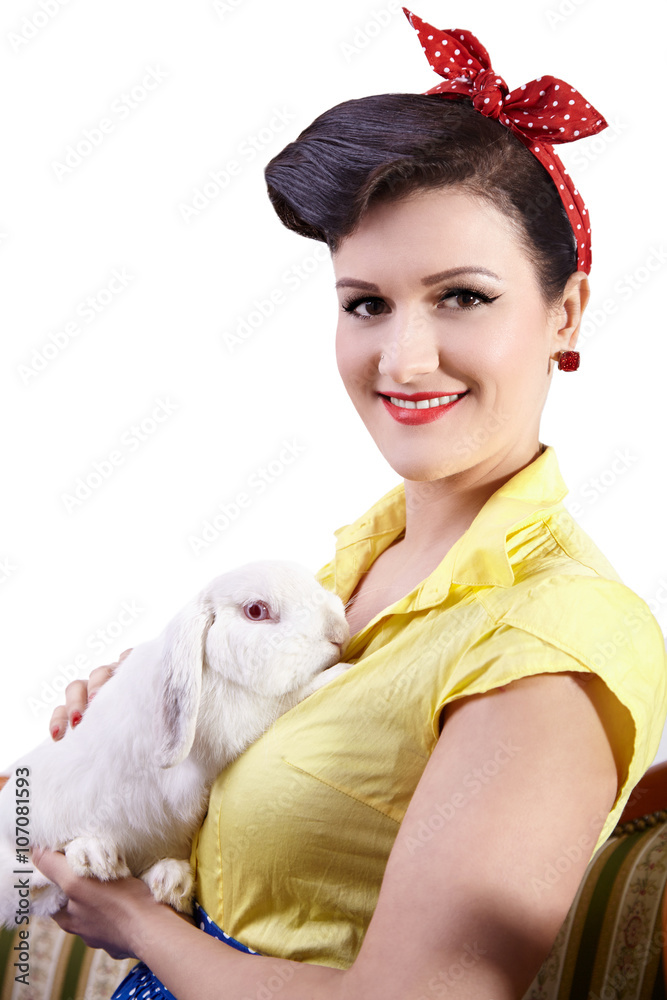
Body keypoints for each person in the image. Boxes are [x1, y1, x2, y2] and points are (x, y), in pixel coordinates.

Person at [33, 8, 667, 999]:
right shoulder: (350, 570)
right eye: (366, 302)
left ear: (565, 313)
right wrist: (145, 725)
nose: (403, 360)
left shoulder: (553, 639)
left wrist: (134, 923)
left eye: (462, 296)